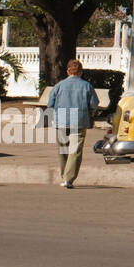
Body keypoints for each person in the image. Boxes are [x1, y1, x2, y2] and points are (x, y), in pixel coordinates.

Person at [46, 60, 99, 190]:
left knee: (63, 149)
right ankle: (68, 179)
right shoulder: (87, 86)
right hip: (79, 121)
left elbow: (50, 103)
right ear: (80, 72)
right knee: (75, 150)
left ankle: (64, 175)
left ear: (68, 71)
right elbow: (94, 104)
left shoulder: (59, 85)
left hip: (62, 120)